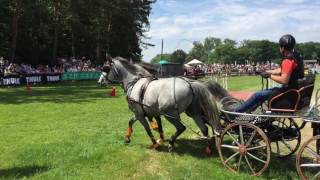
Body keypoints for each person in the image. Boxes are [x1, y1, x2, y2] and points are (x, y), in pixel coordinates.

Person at [234, 34, 304, 113]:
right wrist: (266, 72)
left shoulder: (287, 61)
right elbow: (281, 70)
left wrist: (269, 76)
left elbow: (284, 80)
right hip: (293, 89)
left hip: (287, 92)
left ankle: (235, 111)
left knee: (257, 95)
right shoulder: (296, 57)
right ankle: (249, 110)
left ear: (283, 47)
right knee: (262, 93)